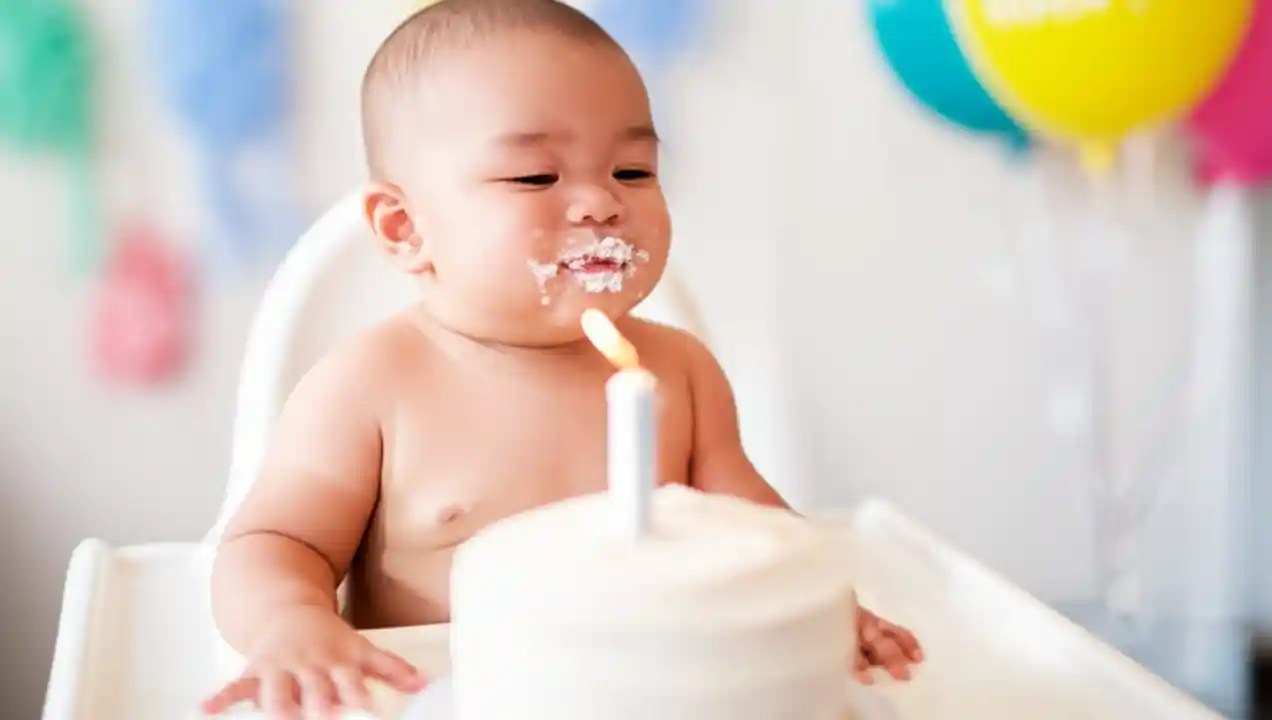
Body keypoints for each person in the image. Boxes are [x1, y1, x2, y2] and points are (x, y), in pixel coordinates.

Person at [203, 1, 922, 716]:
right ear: (404, 227)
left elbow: (756, 531)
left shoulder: (679, 371)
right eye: (536, 178)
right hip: (452, 695)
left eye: (634, 171)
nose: (601, 203)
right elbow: (274, 541)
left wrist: (820, 606)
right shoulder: (369, 386)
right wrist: (291, 623)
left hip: (650, 690)